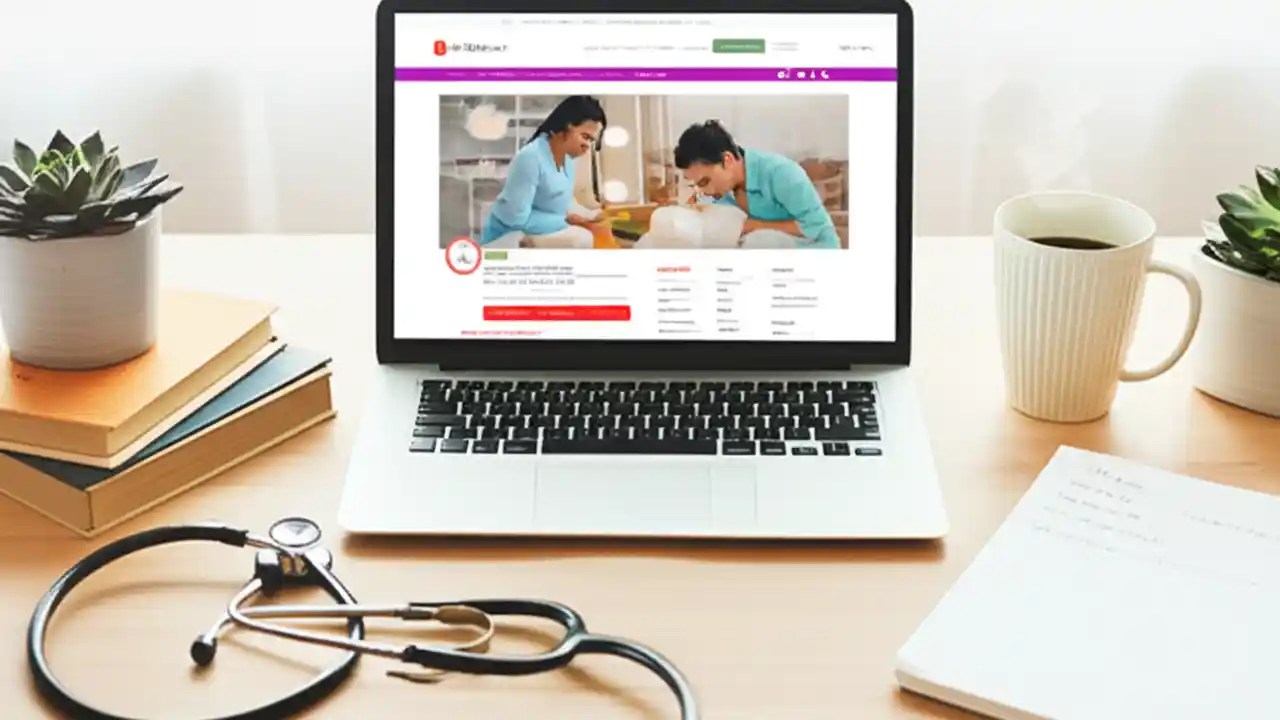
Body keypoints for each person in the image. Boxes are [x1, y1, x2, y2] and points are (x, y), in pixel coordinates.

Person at [672, 120, 841, 249]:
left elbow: (814, 226)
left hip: (815, 253)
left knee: (757, 241)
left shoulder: (781, 173)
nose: (703, 191)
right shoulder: (720, 192)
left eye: (705, 182)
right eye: (697, 185)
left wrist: (751, 227)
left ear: (727, 160)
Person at [480, 95, 607, 249]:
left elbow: (563, 203)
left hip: (536, 232)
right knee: (581, 239)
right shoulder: (530, 158)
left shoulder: (567, 159)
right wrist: (565, 220)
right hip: (506, 240)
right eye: (585, 137)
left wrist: (591, 215)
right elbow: (515, 217)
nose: (587, 146)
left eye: (592, 140)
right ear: (565, 127)